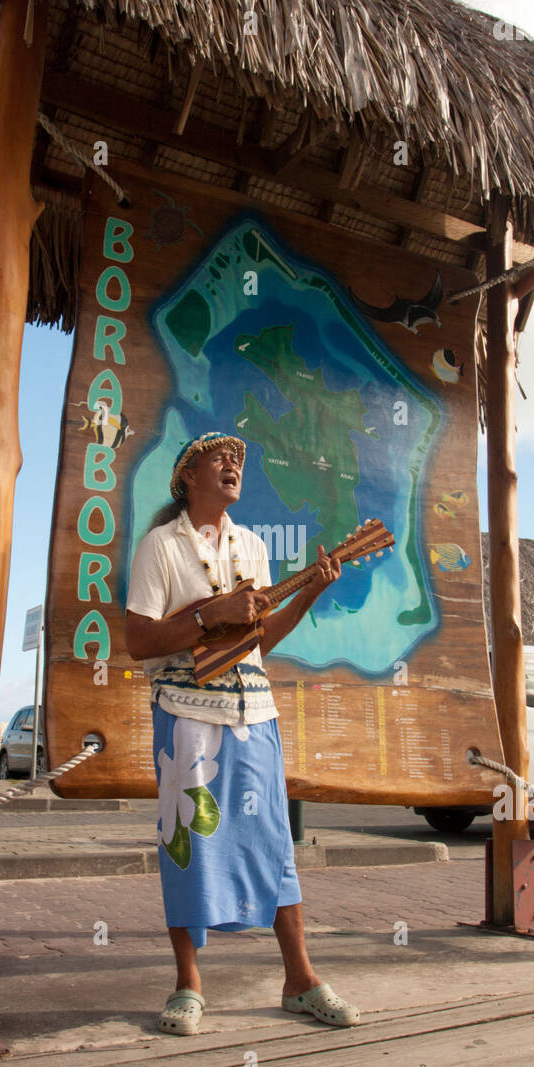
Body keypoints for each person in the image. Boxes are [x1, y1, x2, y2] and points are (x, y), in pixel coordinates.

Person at [125, 431, 361, 1036]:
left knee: (273, 843)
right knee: (187, 843)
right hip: (184, 712)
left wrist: (308, 592)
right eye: (218, 458)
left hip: (253, 714)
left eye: (237, 461)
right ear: (187, 476)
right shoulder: (159, 547)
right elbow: (138, 641)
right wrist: (208, 615)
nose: (232, 466)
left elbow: (260, 643)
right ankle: (188, 984)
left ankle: (299, 979)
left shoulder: (252, 547)